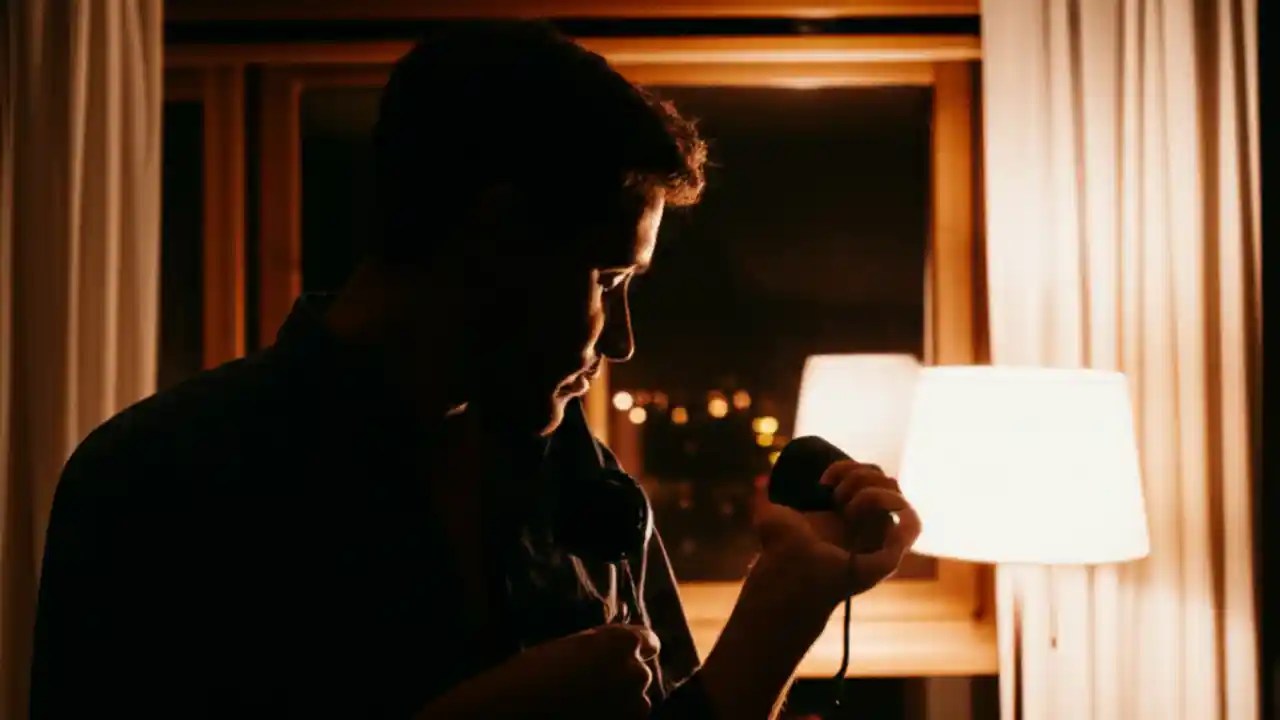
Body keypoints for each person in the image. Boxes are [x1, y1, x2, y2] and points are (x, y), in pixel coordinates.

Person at [29, 21, 921, 719]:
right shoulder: (158, 482)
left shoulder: (589, 488)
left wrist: (786, 604)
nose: (621, 347)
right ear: (497, 237)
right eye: (607, 279)